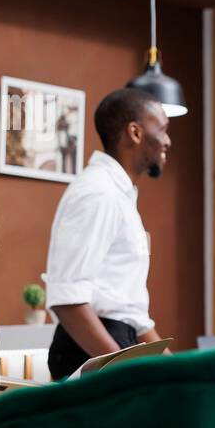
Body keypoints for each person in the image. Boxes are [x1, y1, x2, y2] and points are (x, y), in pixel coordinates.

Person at [43, 88, 172, 380]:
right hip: (89, 351)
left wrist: (180, 374)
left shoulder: (119, 195)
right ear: (135, 133)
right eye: (163, 129)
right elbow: (67, 298)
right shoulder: (97, 192)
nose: (167, 140)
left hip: (118, 345)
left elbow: (134, 316)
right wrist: (119, 370)